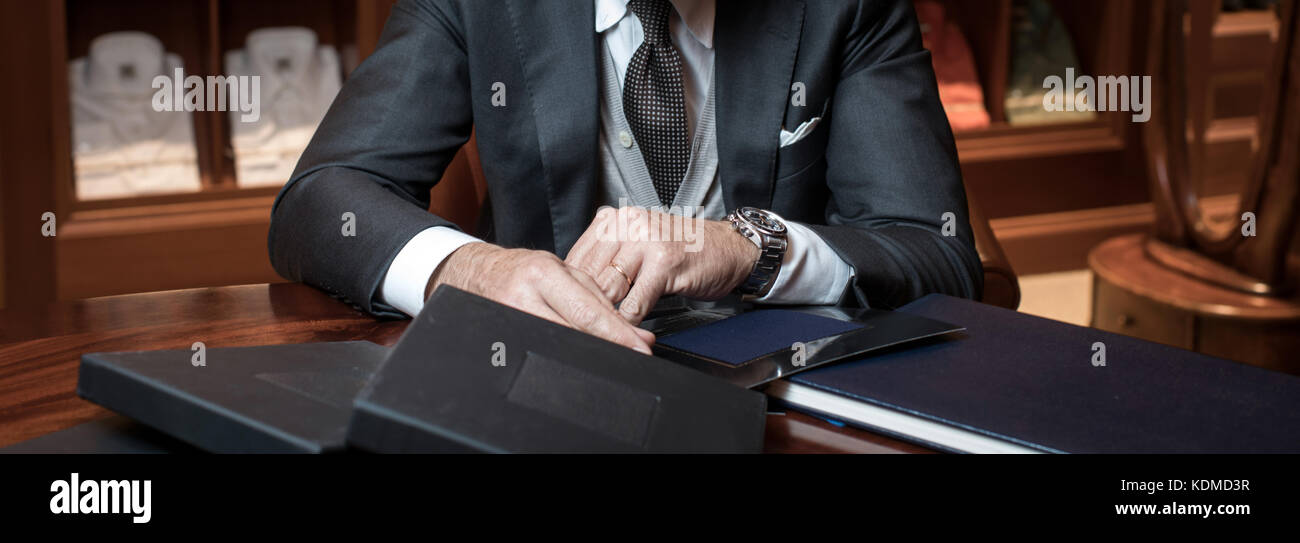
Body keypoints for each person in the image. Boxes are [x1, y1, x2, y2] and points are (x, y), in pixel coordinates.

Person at [268, 0, 983, 355]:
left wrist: (750, 248)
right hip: (542, 387)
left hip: (777, 397)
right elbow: (322, 197)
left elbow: (938, 250)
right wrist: (472, 268)